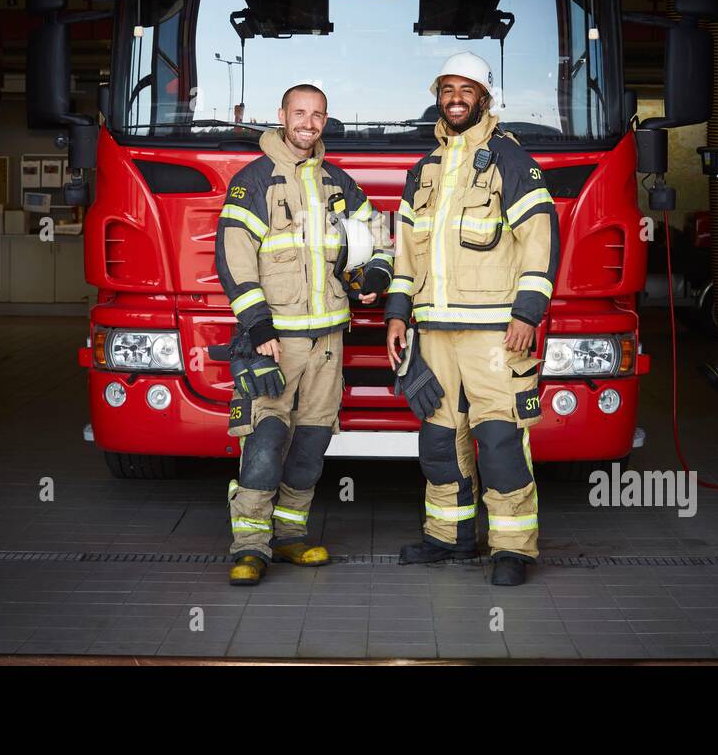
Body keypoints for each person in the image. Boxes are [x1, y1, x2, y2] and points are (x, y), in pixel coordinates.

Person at [384, 52, 560, 587]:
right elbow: (404, 255)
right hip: (433, 332)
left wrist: (528, 313)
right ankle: (449, 537)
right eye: (447, 90)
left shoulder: (512, 161)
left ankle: (512, 548)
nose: (454, 99)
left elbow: (540, 240)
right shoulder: (424, 170)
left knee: (501, 440)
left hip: (495, 333)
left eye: (466, 90)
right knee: (439, 439)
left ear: (484, 98)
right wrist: (397, 315)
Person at [216, 84, 393, 586]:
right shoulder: (254, 181)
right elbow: (233, 257)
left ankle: (291, 537)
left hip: (328, 343)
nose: (308, 123)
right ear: (282, 116)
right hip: (276, 341)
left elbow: (378, 232)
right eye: (299, 113)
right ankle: (250, 545)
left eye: (317, 115)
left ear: (324, 121)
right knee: (266, 442)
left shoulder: (338, 182)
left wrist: (376, 273)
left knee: (311, 446)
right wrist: (257, 326)